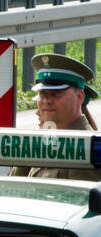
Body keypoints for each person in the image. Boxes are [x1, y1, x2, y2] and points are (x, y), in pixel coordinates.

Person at [10, 53, 101, 181]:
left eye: (56, 93)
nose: (47, 100)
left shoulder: (85, 149)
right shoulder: (45, 141)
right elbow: (14, 188)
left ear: (79, 97)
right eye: (42, 93)